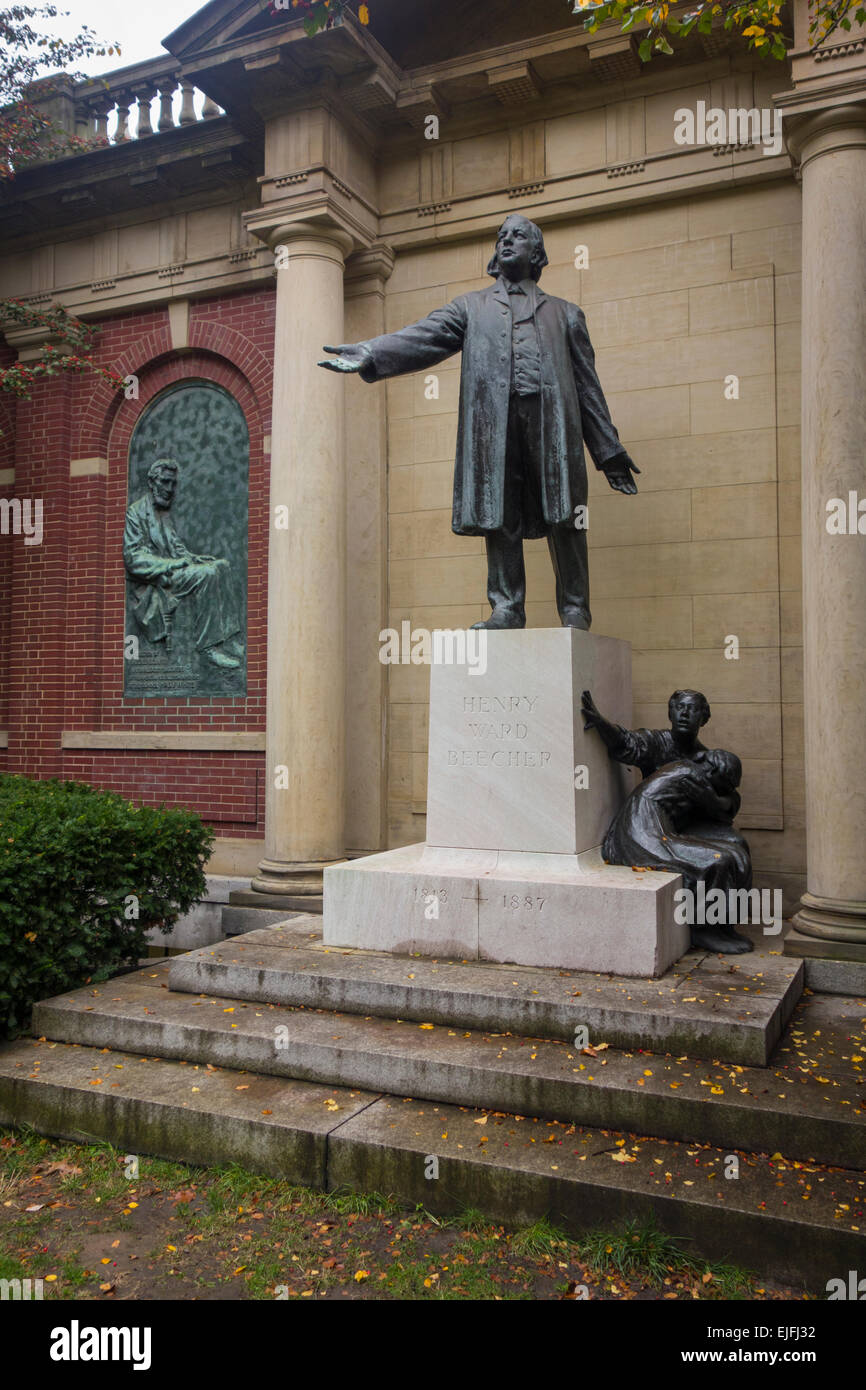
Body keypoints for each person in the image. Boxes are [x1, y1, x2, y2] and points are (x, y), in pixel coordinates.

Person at [319, 214, 639, 630]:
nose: (507, 241)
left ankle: (575, 607)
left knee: (567, 514)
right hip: (494, 424)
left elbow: (587, 388)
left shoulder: (566, 314)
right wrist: (370, 351)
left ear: (536, 252)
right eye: (501, 236)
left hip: (553, 424)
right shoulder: (470, 308)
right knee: (498, 512)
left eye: (518, 236)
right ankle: (507, 607)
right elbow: (424, 336)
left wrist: (608, 452)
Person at [123, 458, 244, 670]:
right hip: (156, 581)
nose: (170, 489)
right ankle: (209, 646)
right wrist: (171, 564)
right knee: (207, 575)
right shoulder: (136, 512)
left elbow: (176, 547)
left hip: (173, 574)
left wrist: (194, 558)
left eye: (173, 483)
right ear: (152, 482)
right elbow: (133, 558)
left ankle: (228, 637)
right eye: (165, 482)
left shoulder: (162, 513)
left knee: (222, 565)